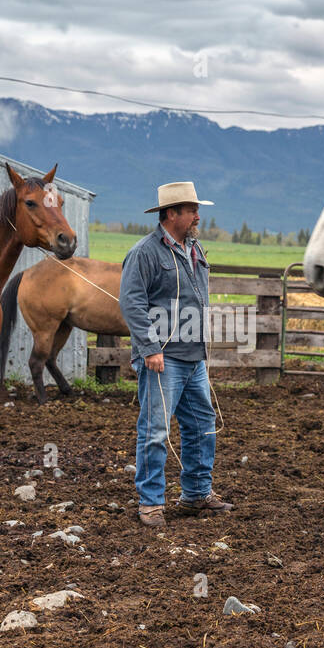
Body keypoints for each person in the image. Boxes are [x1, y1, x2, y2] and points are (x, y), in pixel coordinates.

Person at [120, 182, 234, 528]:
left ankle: (197, 494)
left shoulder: (195, 248)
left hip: (192, 356)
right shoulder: (145, 253)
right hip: (163, 359)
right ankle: (151, 502)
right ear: (172, 214)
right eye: (191, 210)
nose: (198, 216)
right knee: (155, 430)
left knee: (202, 424)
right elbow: (132, 303)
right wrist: (150, 347)